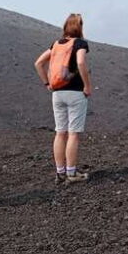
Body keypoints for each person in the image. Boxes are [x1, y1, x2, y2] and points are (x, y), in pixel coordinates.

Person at [34, 13, 92, 184]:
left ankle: (60, 173)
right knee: (73, 134)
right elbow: (81, 62)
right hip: (75, 93)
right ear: (79, 26)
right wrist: (87, 85)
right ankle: (72, 173)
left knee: (60, 132)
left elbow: (38, 63)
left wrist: (47, 83)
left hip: (57, 93)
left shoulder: (56, 44)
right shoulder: (80, 44)